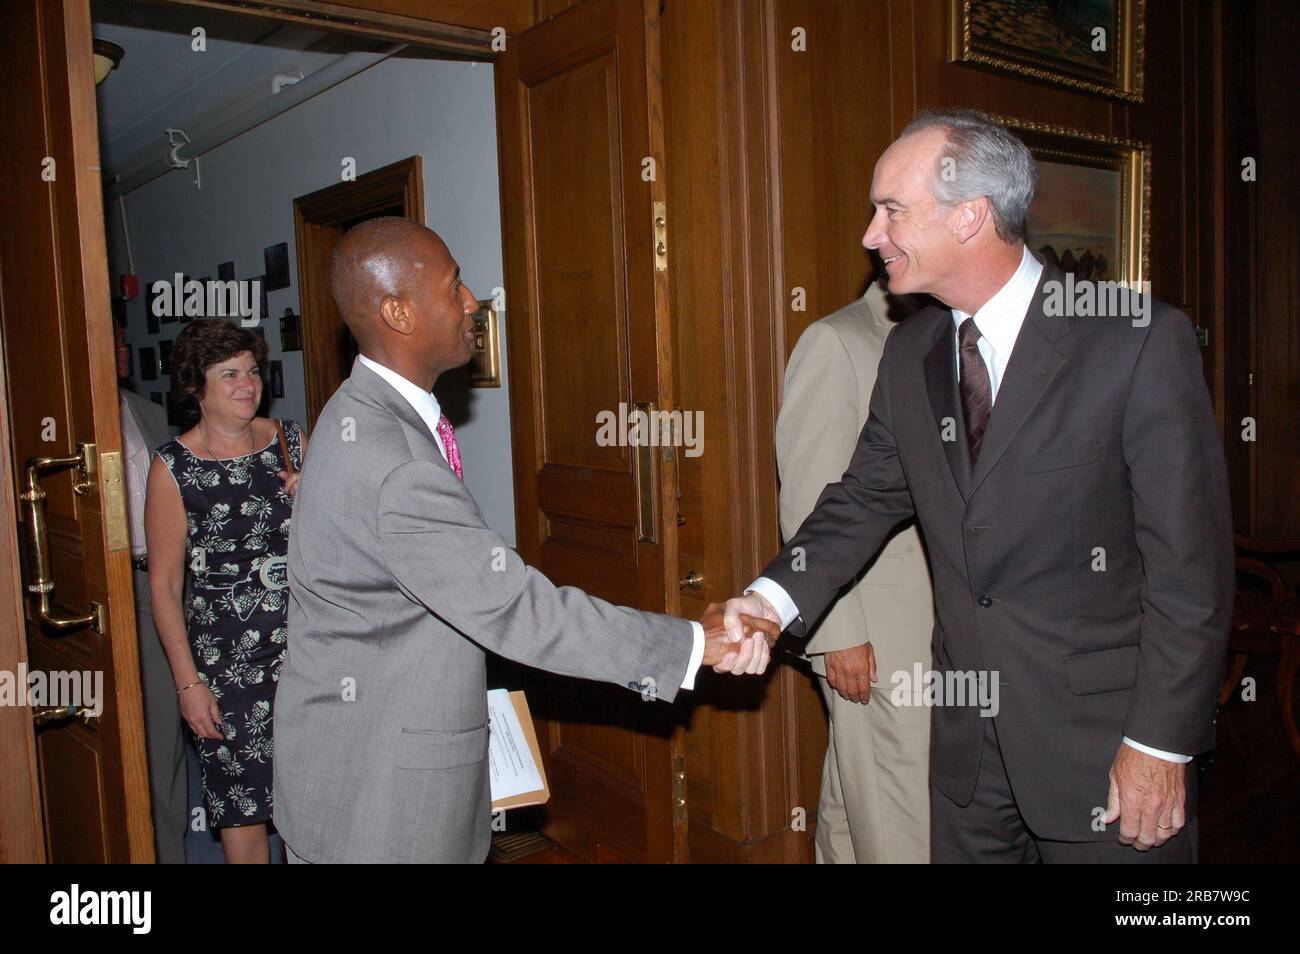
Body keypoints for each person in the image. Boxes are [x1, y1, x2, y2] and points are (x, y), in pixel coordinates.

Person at [725, 109, 1233, 863]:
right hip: (965, 758)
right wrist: (768, 604)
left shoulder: (1134, 341)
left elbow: (1190, 573)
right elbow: (861, 501)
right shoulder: (913, 354)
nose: (870, 235)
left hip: (1105, 754)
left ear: (970, 217)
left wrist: (1158, 741)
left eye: (891, 210)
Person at [273, 217, 777, 864]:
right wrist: (692, 644)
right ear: (398, 313)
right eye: (454, 286)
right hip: (381, 805)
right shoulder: (390, 461)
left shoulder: (356, 409)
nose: (470, 302)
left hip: (347, 765)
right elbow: (517, 610)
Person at [777, 276, 933, 864]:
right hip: (878, 635)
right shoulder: (836, 342)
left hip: (940, 627)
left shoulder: (944, 335)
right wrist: (838, 634)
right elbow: (809, 505)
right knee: (900, 827)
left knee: (856, 805)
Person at [145, 318, 306, 864]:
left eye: (253, 371)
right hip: (225, 665)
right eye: (229, 373)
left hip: (308, 652)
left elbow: (340, 544)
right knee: (242, 811)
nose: (248, 384)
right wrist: (188, 685)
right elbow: (165, 588)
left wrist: (313, 501)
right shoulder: (172, 468)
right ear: (196, 387)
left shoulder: (291, 442)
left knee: (316, 798)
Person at [116, 317, 187, 864]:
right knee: (126, 732)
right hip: (110, 589)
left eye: (123, 339)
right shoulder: (66, 419)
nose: (121, 349)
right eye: (112, 340)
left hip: (159, 576)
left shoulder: (147, 412)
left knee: (169, 733)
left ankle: (171, 849)